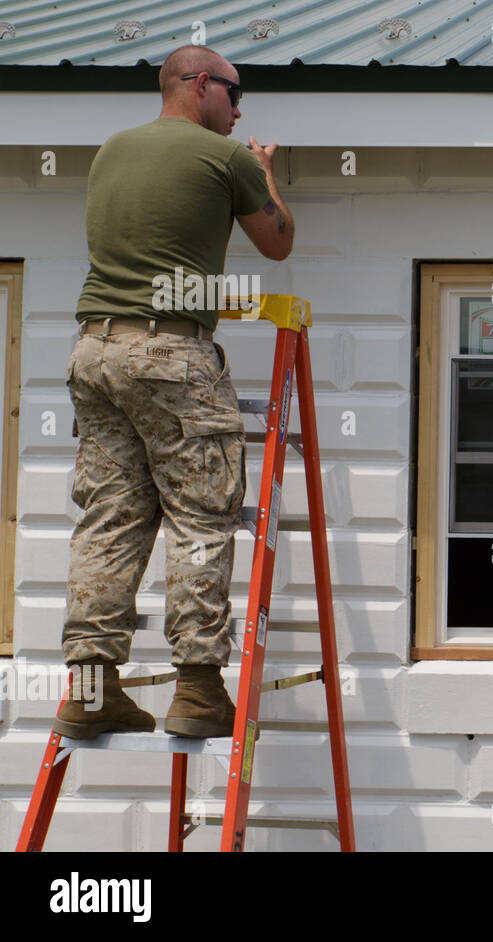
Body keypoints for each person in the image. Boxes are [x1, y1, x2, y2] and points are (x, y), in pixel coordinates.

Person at [53, 45, 294, 739]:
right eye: (235, 92)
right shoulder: (229, 159)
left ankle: (93, 690)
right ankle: (197, 689)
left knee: (111, 517)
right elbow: (277, 243)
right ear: (197, 85)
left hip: (95, 351)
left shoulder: (111, 151)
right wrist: (267, 178)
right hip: (170, 354)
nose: (240, 108)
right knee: (201, 514)